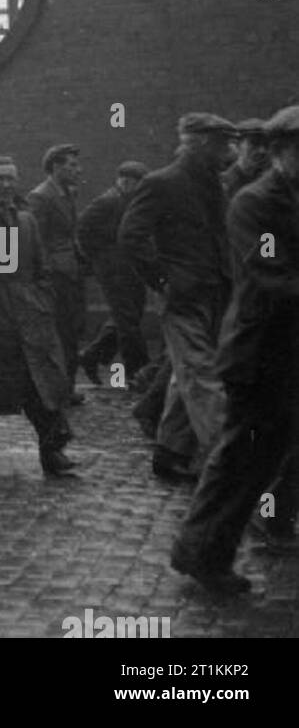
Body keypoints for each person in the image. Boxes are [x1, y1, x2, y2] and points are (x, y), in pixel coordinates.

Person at [170, 106, 299, 594]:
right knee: (239, 460)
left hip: (288, 352)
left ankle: (209, 551)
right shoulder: (255, 204)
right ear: (283, 153)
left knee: (267, 459)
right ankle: (200, 553)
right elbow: (268, 275)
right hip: (258, 353)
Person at [117, 113, 238, 483]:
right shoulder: (162, 182)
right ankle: (232, 464)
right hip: (183, 296)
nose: (229, 152)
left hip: (216, 291)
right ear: (200, 143)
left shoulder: (212, 183)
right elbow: (130, 235)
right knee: (201, 373)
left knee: (187, 373)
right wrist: (162, 278)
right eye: (222, 144)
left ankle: (169, 452)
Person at [0, 157, 75, 476]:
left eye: (11, 178)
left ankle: (52, 451)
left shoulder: (27, 221)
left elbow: (42, 268)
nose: (6, 184)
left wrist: (41, 299)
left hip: (27, 316)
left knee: (39, 383)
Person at [75, 161, 150, 385]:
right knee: (128, 320)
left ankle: (91, 355)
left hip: (129, 268)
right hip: (112, 270)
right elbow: (82, 230)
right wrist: (99, 258)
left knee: (130, 314)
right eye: (135, 183)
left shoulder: (127, 200)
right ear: (125, 181)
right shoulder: (108, 201)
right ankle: (138, 373)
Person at [27, 144, 85, 401]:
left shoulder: (66, 193)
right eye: (71, 165)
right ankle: (60, 390)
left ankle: (66, 387)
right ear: (56, 167)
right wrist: (46, 274)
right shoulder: (41, 197)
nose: (77, 169)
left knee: (71, 332)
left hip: (71, 273)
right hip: (55, 278)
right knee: (60, 334)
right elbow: (36, 241)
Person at [222, 119, 270, 200]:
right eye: (254, 143)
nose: (262, 151)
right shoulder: (225, 185)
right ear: (238, 145)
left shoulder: (272, 182)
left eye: (266, 145)